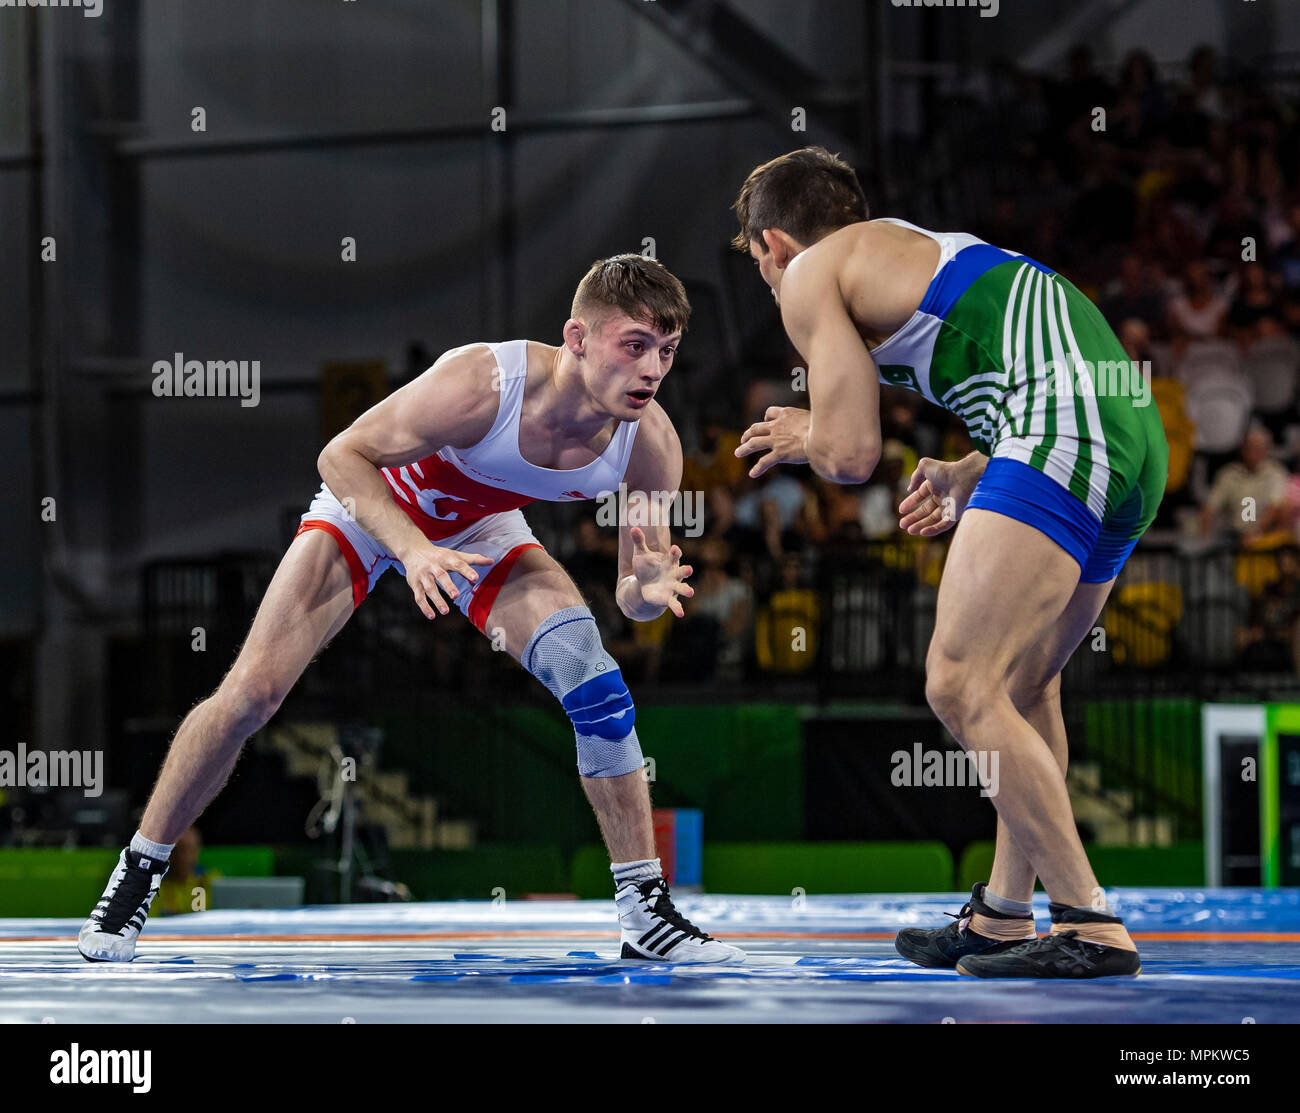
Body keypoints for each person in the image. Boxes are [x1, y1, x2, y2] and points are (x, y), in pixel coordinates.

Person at [79, 255, 743, 966]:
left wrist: (644, 587)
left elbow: (630, 594)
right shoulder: (484, 382)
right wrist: (412, 545)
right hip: (375, 509)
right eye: (634, 345)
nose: (651, 371)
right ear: (576, 337)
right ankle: (137, 874)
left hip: (480, 529)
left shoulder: (652, 446)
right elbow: (342, 455)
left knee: (597, 683)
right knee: (252, 693)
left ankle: (645, 911)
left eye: (666, 352)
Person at [730, 147, 1168, 978]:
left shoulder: (809, 273)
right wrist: (973, 470)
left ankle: (1091, 919)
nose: (765, 275)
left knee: (957, 680)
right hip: (1125, 432)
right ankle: (1006, 913)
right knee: (1026, 683)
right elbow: (1023, 357)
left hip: (1064, 419)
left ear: (776, 242)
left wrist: (803, 435)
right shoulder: (906, 246)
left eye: (757, 258)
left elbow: (853, 453)